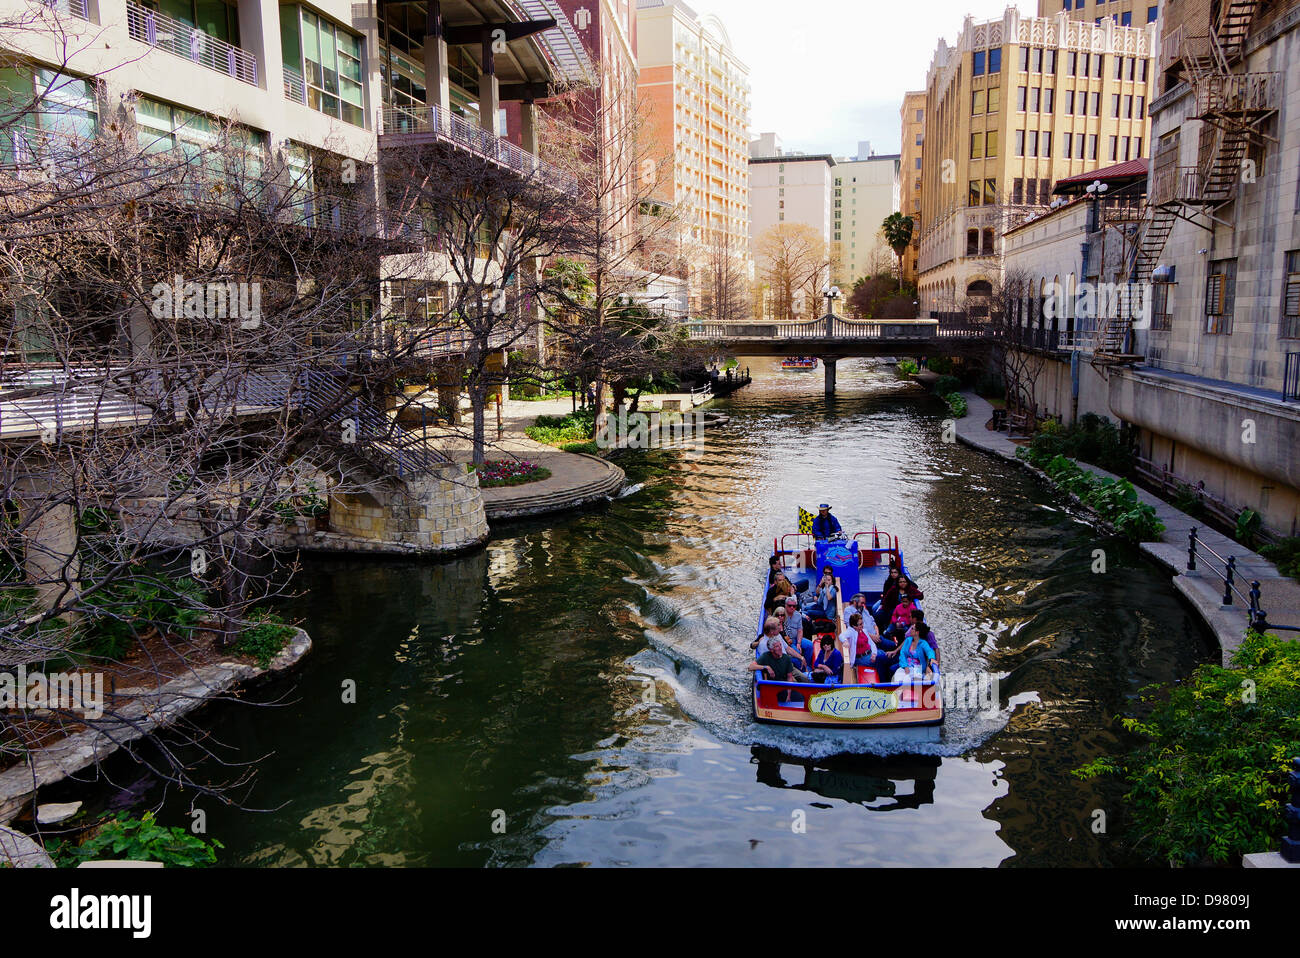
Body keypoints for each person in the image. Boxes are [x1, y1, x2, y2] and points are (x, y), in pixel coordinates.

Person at [782, 598, 814, 666]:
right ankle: (801, 668)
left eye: (794, 606)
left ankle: (807, 665)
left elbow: (800, 630)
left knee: (810, 645)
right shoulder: (781, 615)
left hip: (796, 638)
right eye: (790, 605)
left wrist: (799, 643)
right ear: (785, 605)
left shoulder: (798, 615)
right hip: (787, 641)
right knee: (797, 652)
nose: (792, 607)